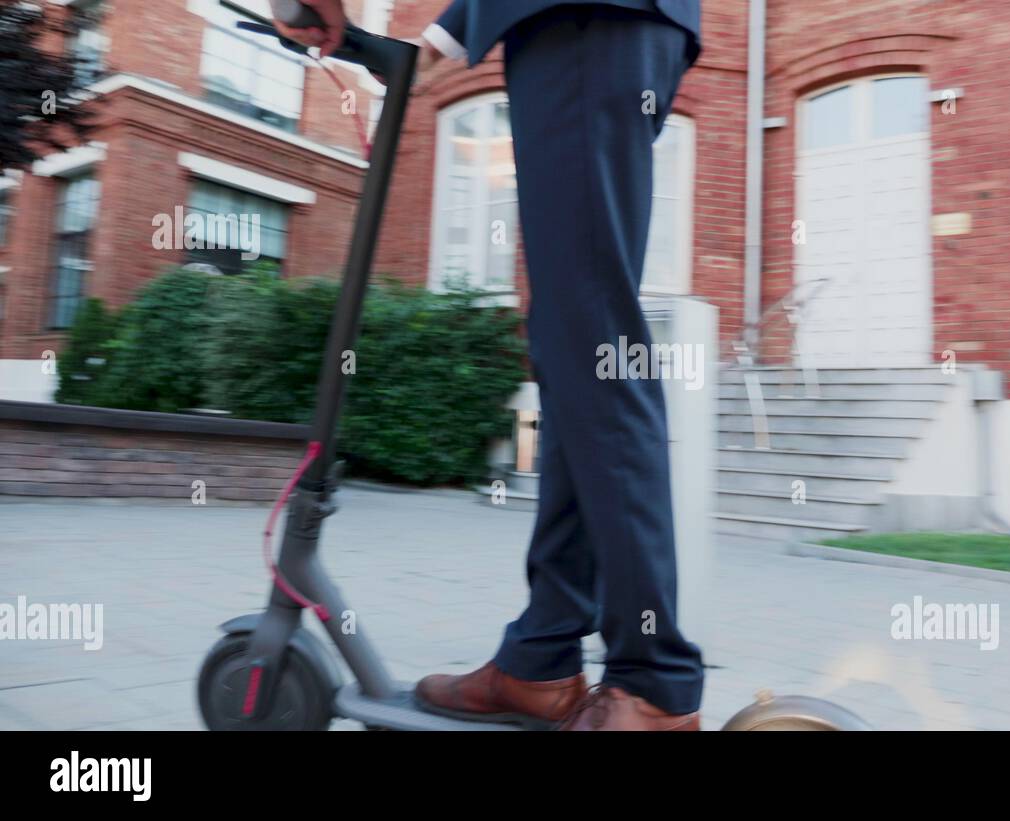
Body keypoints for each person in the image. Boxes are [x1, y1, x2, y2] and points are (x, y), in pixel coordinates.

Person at [273, 0, 704, 731]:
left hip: (584, 24)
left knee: (596, 349)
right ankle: (542, 656)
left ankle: (655, 684)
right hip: (582, 32)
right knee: (573, 354)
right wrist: (440, 35)